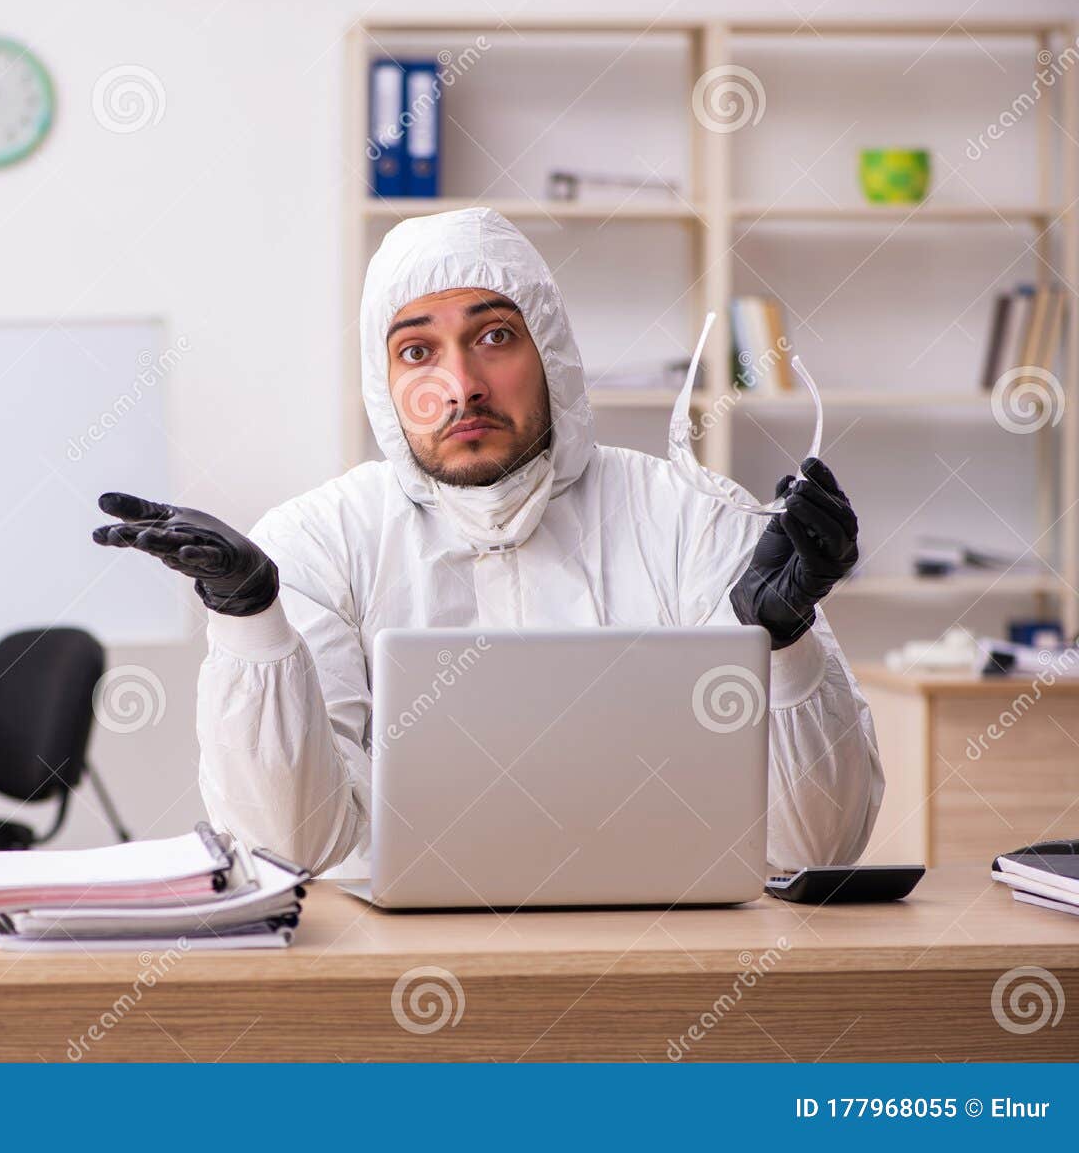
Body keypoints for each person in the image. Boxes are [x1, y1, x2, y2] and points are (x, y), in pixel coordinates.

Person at [94, 207, 883, 876]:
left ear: (552, 354)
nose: (460, 383)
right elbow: (292, 848)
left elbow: (816, 847)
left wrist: (785, 646)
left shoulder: (687, 515)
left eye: (496, 336)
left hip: (662, 963)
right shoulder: (316, 540)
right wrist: (251, 625)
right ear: (385, 384)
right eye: (417, 351)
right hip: (383, 981)